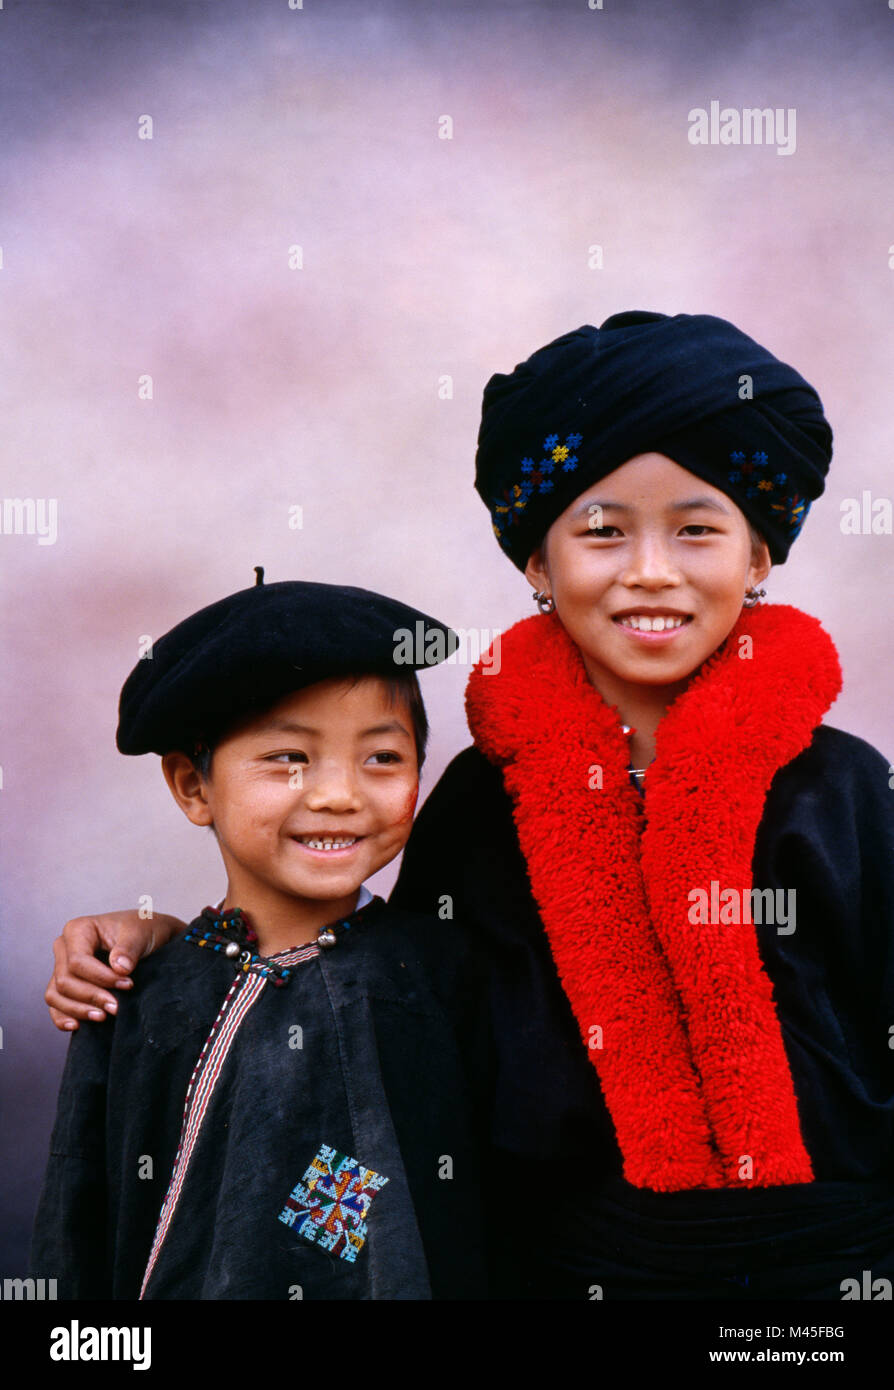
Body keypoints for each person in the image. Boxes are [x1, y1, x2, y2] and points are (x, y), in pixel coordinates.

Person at [45, 311, 894, 1300]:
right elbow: (371, 1013)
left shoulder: (845, 791)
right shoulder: (486, 803)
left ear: (757, 559)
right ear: (539, 564)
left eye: (697, 529)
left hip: (836, 1276)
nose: (651, 568)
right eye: (603, 531)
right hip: (558, 1270)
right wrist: (166, 936)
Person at [30, 573, 494, 1300]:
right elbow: (76, 1215)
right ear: (193, 786)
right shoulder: (137, 992)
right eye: (288, 758)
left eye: (382, 758)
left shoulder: (439, 977)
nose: (340, 793)